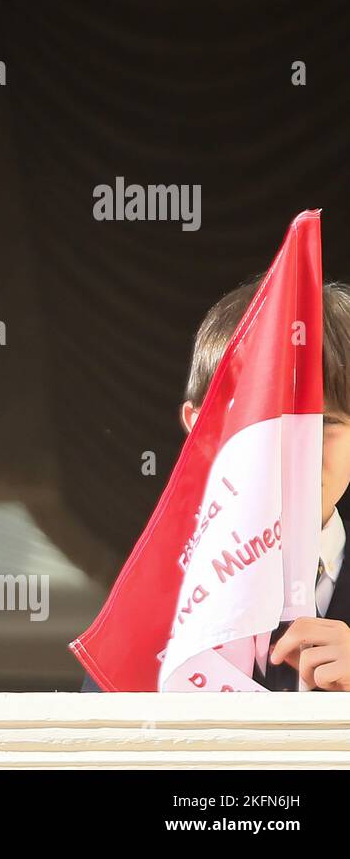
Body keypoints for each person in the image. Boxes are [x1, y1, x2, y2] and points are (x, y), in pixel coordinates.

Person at [82, 278, 350, 691]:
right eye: (264, 425)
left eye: (326, 423)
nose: (299, 453)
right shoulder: (152, 608)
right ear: (200, 432)